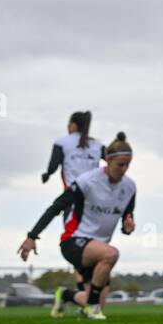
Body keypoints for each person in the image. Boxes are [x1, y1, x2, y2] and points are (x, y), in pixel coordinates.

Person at [19, 132, 136, 320]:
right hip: (74, 241)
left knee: (94, 298)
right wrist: (32, 236)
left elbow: (126, 219)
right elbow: (56, 207)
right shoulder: (87, 181)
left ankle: (64, 295)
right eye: (119, 165)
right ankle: (92, 308)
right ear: (107, 160)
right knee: (112, 254)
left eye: (127, 165)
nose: (123, 169)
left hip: (98, 251)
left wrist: (127, 228)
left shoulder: (129, 187)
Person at [41, 111, 104, 303]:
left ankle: (77, 297)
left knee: (81, 250)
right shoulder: (98, 145)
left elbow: (52, 166)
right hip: (96, 203)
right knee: (91, 248)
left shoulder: (62, 142)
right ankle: (84, 299)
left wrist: (46, 174)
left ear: (73, 125)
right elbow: (111, 166)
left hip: (73, 201)